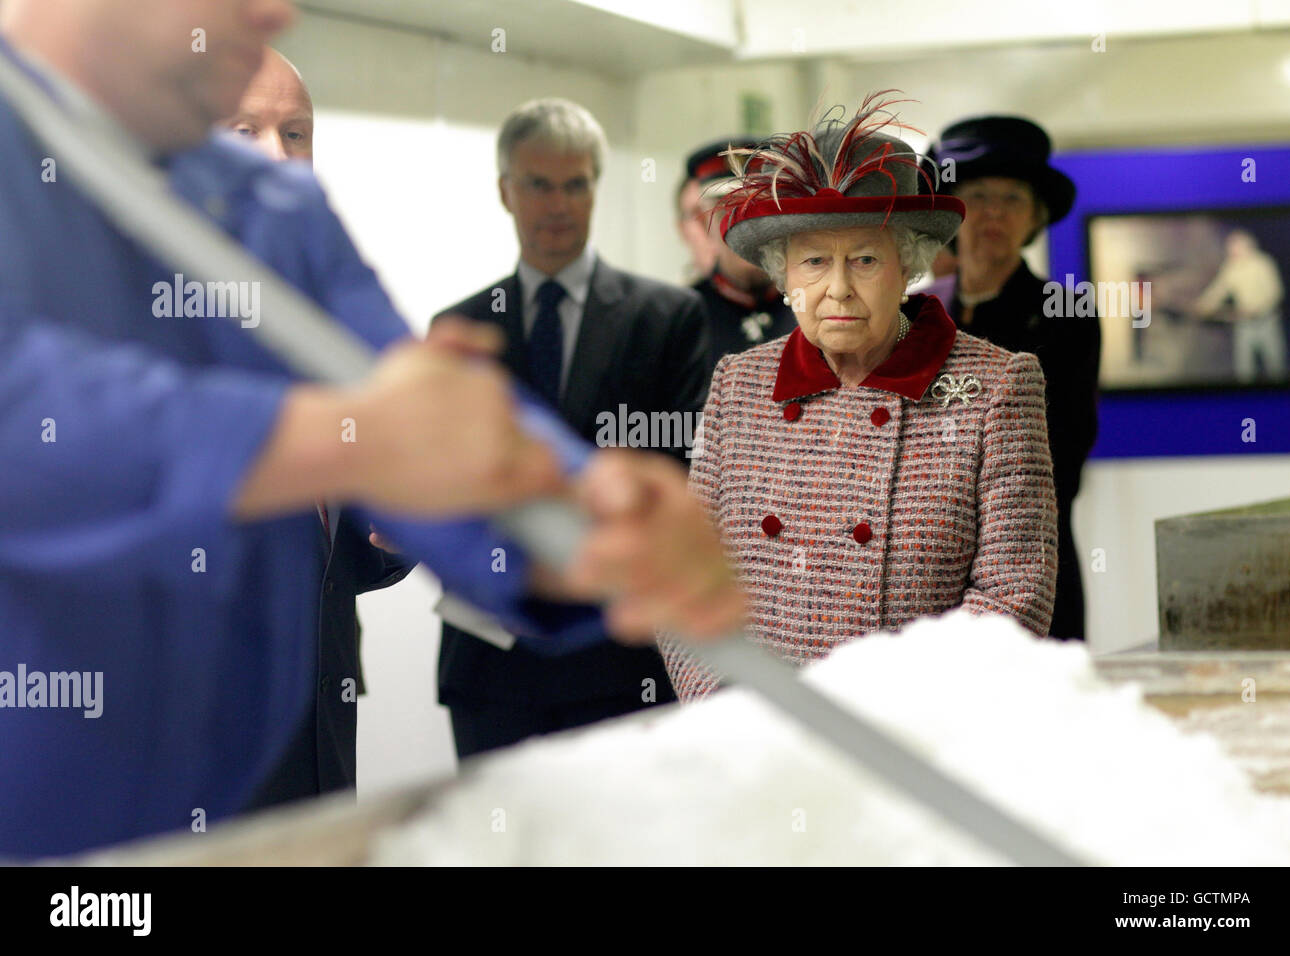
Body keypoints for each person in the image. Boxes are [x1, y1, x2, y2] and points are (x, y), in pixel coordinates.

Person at [0, 0, 743, 858]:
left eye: (296, 132)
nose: (276, 10)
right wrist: (345, 434)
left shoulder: (277, 215)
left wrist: (584, 522)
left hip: (299, 762)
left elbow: (417, 403)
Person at [659, 95, 1058, 701]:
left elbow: (1014, 593)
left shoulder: (996, 386)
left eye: (865, 260)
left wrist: (895, 714)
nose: (838, 289)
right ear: (784, 276)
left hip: (920, 735)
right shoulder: (739, 385)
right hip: (758, 734)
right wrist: (731, 710)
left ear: (908, 267)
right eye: (814, 262)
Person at [432, 98, 713, 758]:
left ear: (595, 187)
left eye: (575, 184)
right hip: (491, 663)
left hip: (617, 660)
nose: (557, 204)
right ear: (506, 191)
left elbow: (672, 466)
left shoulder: (666, 317)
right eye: (537, 184)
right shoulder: (461, 331)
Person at [218, 47, 413, 808]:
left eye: (295, 133)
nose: (277, 158)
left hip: (318, 733)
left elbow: (340, 539)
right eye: (243, 130)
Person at [922, 115, 1099, 641]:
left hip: (1029, 549)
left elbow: (1067, 442)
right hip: (924, 561)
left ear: (1036, 217)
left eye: (1012, 198)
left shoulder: (1065, 311)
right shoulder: (918, 312)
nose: (993, 213)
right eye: (977, 196)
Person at [684, 138, 797, 366]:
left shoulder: (814, 305)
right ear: (706, 222)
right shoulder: (683, 319)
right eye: (731, 214)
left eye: (759, 212)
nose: (748, 231)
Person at [1193, 229, 1287, 382]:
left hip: (1267, 322)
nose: (1231, 251)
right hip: (1244, 324)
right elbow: (1219, 288)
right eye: (1230, 248)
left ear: (1247, 246)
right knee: (1244, 369)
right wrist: (1204, 304)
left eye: (1234, 247)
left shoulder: (1263, 263)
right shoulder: (1231, 267)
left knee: (1275, 366)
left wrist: (1258, 308)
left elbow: (1275, 292)